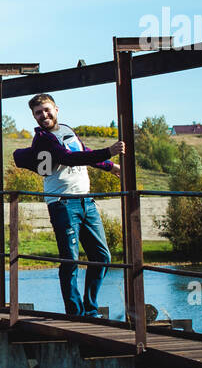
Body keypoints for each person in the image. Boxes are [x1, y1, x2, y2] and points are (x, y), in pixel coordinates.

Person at [11, 93, 125, 318]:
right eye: (37, 113)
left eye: (46, 110)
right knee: (70, 260)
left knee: (102, 257)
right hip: (62, 203)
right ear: (33, 116)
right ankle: (76, 313)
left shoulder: (66, 129)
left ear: (56, 109)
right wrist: (109, 151)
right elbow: (69, 158)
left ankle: (90, 309)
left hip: (86, 200)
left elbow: (84, 153)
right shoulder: (43, 138)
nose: (43, 115)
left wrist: (110, 166)